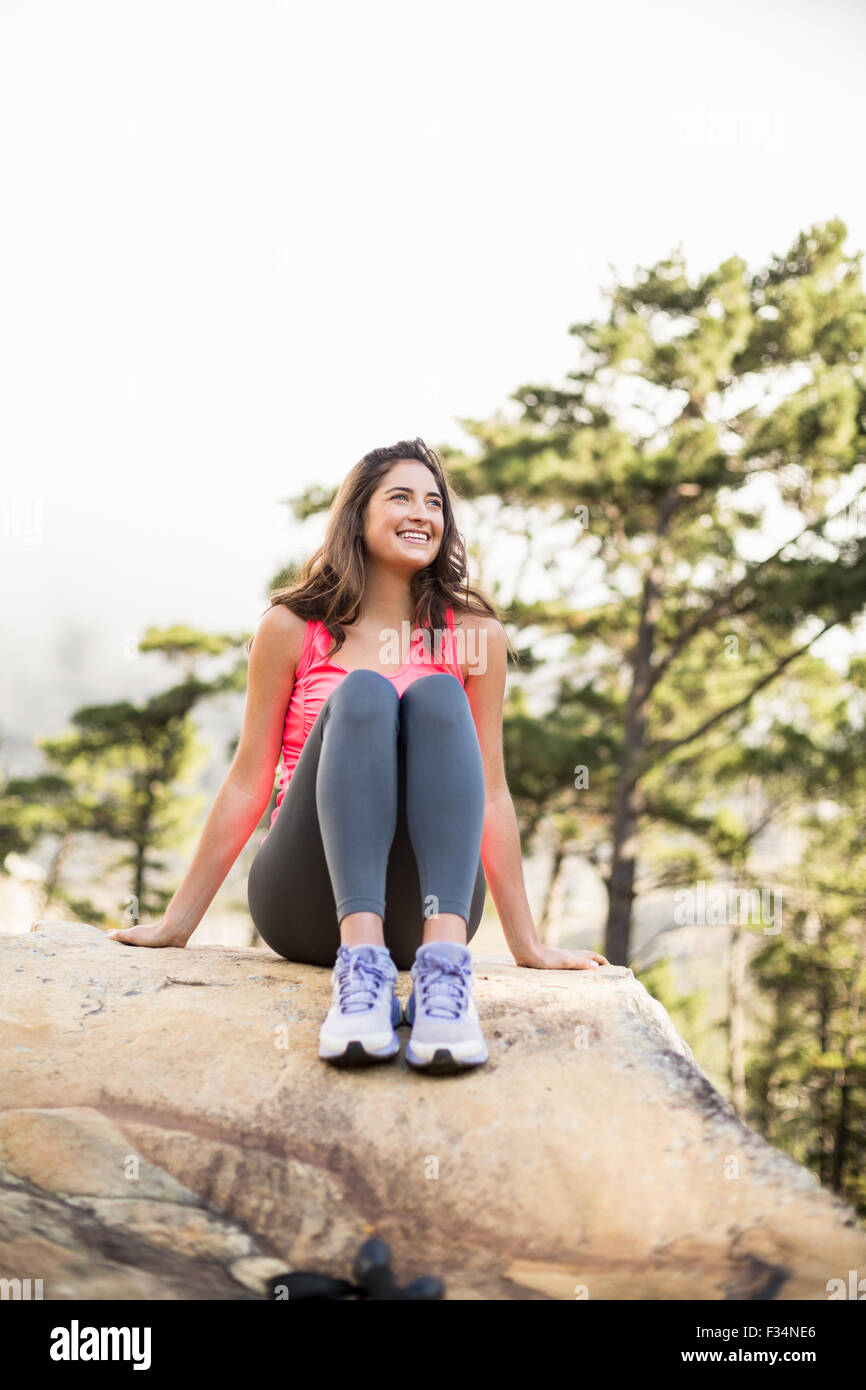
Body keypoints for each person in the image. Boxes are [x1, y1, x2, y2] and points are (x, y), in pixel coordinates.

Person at [107, 437, 608, 1073]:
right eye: (400, 496)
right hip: (306, 902)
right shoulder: (292, 629)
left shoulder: (475, 636)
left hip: (426, 908)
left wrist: (526, 944)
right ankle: (360, 972)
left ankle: (445, 980)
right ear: (357, 515)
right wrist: (176, 924)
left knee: (436, 696)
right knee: (366, 693)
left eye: (434, 502)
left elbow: (490, 791)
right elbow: (247, 782)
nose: (422, 513)